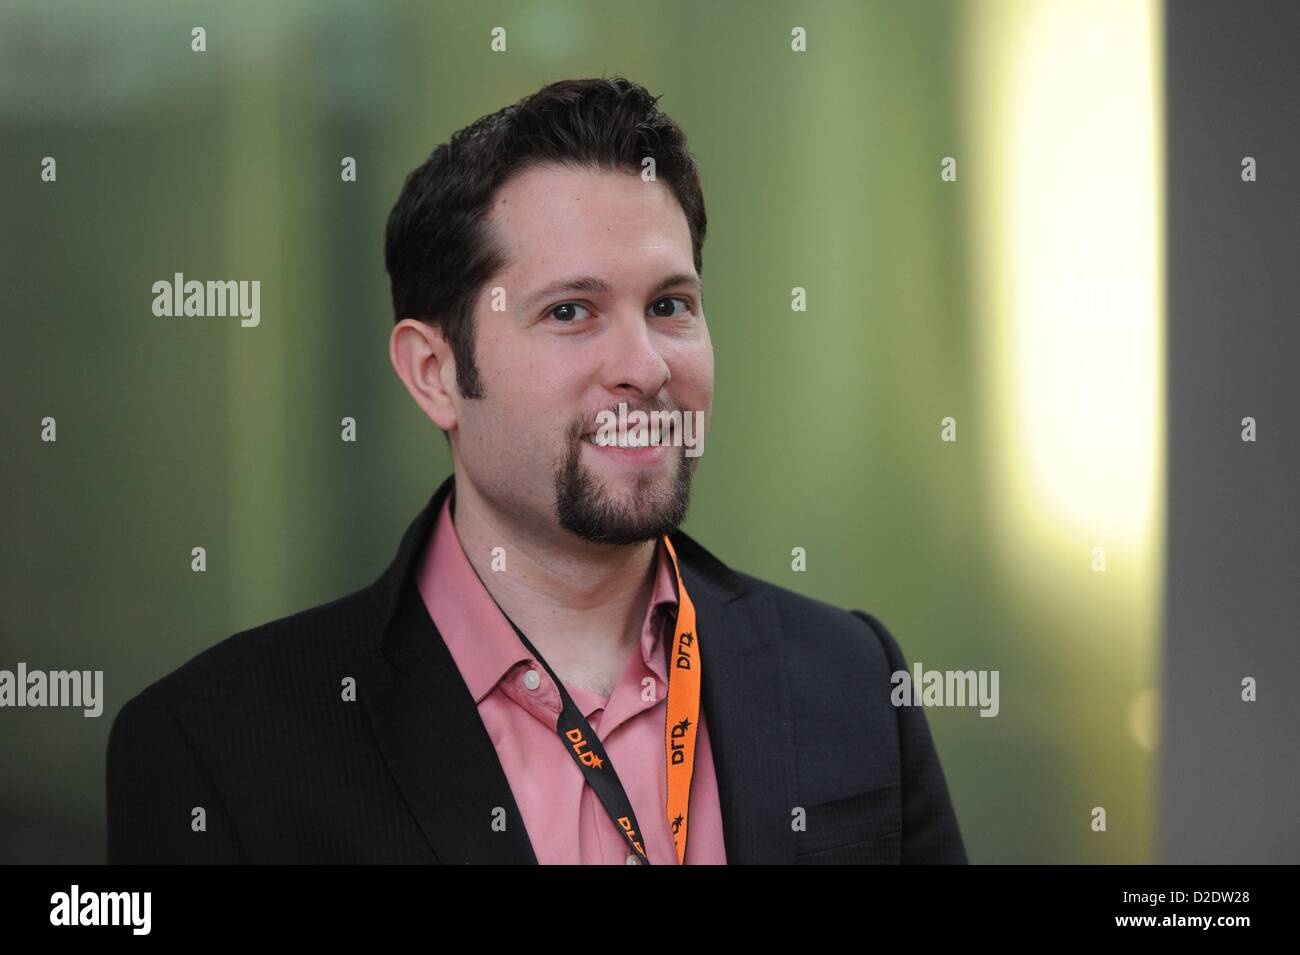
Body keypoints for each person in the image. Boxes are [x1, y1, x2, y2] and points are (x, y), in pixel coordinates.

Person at [106, 76, 967, 864]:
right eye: (570, 311)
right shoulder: (219, 745)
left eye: (669, 306)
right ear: (435, 373)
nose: (646, 365)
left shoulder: (851, 678)